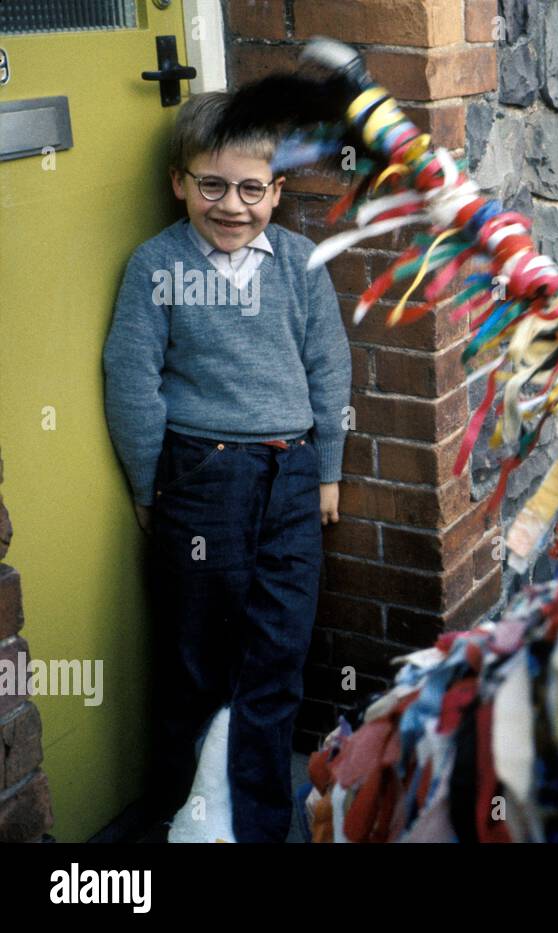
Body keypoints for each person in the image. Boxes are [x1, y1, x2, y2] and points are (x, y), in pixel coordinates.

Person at [102, 92, 352, 842]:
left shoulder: (302, 265)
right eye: (212, 185)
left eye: (252, 188)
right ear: (179, 181)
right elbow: (131, 381)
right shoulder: (156, 265)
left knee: (280, 650)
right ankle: (187, 816)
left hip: (294, 474)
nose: (233, 206)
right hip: (203, 480)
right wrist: (151, 486)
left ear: (277, 190)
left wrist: (329, 471)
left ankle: (260, 825)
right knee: (199, 657)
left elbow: (329, 370)